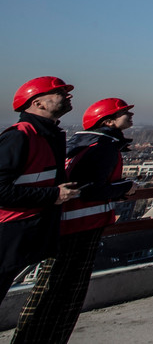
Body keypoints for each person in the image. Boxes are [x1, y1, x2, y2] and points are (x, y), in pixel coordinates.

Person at [9, 94, 125, 344]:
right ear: (109, 121)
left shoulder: (76, 140)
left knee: (49, 291)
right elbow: (89, 189)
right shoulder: (102, 147)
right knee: (64, 295)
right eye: (125, 112)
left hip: (58, 224)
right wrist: (124, 188)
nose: (131, 116)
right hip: (79, 226)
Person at [0, 77, 82, 297]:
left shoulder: (47, 135)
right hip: (9, 233)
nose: (67, 97)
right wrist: (54, 194)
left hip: (25, 232)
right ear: (38, 103)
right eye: (60, 93)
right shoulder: (19, 136)